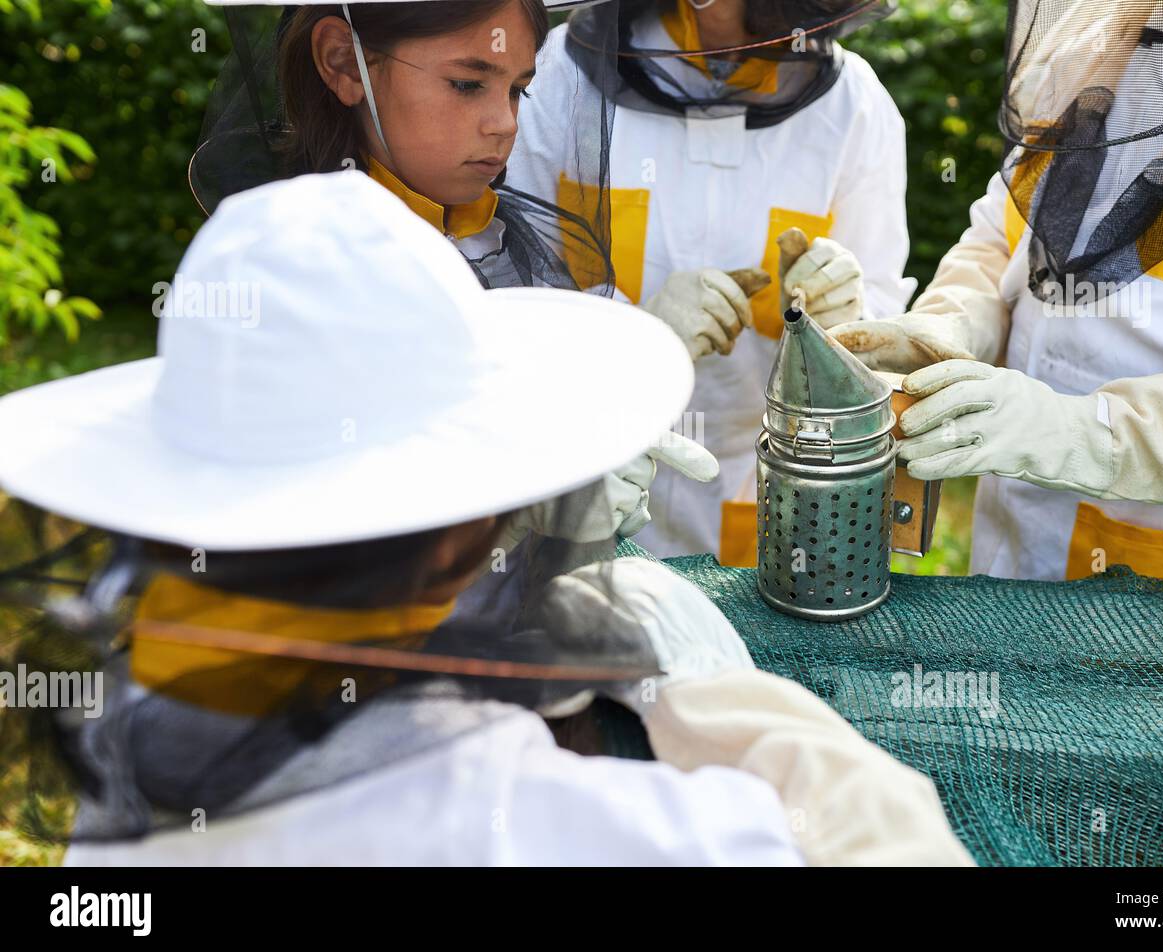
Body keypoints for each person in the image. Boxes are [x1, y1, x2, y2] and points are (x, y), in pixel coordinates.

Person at [0, 171, 972, 866]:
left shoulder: (111, 755)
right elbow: (893, 837)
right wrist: (710, 689)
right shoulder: (513, 814)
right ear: (457, 537)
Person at [191, 0, 718, 573]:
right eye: (468, 84)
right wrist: (518, 496)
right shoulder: (291, 273)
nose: (505, 122)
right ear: (344, 62)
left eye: (519, 90)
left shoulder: (499, 237)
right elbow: (300, 515)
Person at [831, 0, 1163, 595]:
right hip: (1012, 553)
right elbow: (1001, 241)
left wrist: (1088, 434)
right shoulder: (1087, 43)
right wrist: (950, 326)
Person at [510, 0, 915, 559]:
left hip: (761, 477)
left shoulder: (855, 105)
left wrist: (850, 315)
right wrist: (638, 338)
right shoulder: (562, 73)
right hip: (597, 460)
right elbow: (511, 295)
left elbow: (882, 326)